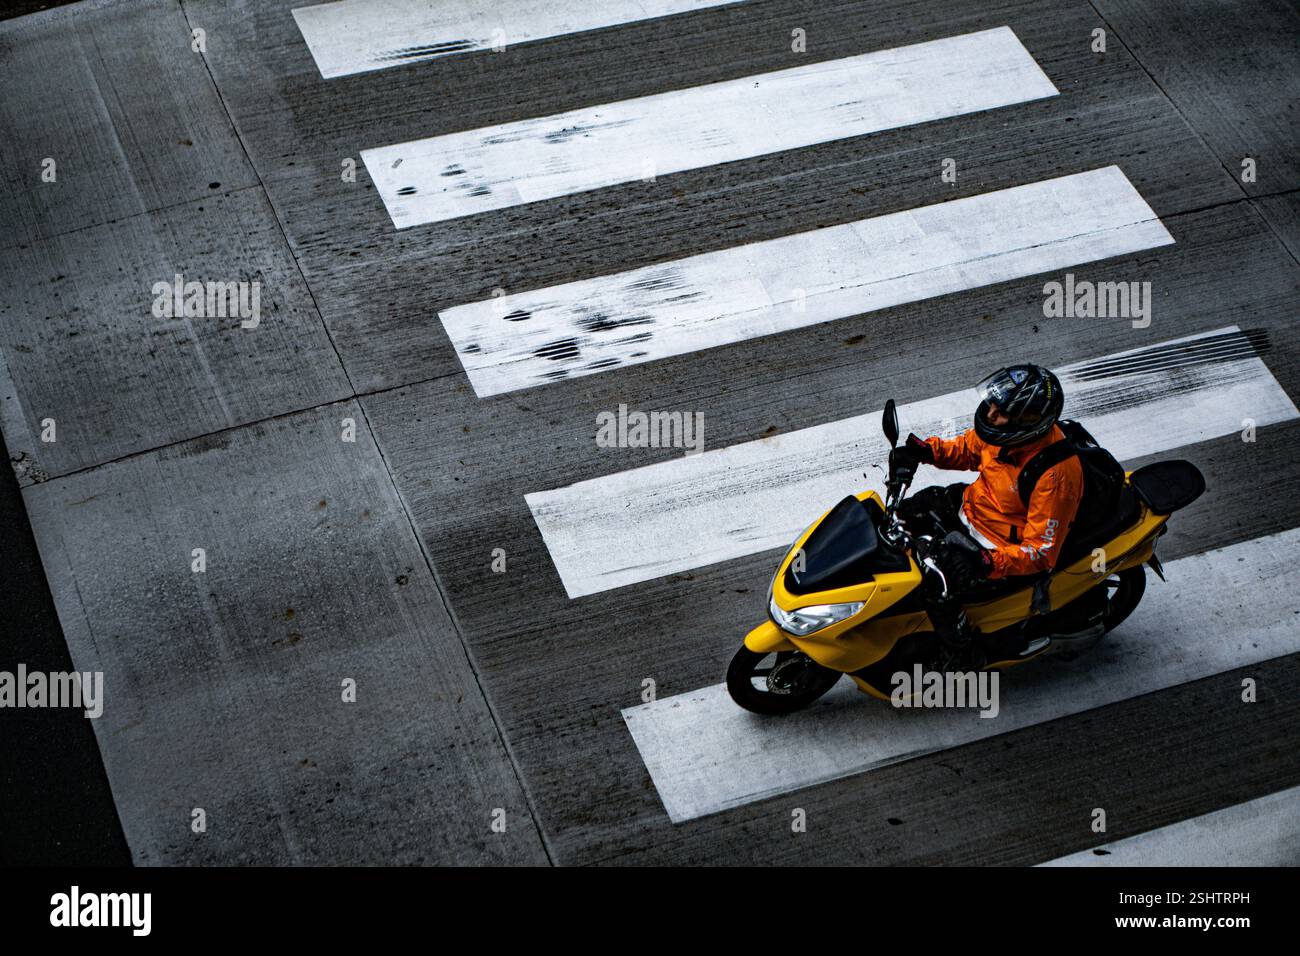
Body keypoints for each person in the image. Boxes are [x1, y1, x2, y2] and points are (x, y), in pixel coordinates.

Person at [888, 365, 1085, 656]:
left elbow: (1041, 552)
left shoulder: (1055, 477)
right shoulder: (1001, 433)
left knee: (937, 588)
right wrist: (925, 452)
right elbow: (968, 449)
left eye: (1001, 412)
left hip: (996, 546)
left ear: (1025, 422)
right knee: (901, 514)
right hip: (970, 507)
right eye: (993, 404)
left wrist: (987, 563)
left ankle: (963, 650)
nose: (991, 413)